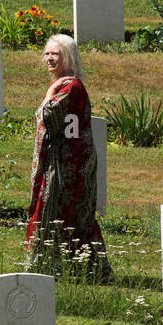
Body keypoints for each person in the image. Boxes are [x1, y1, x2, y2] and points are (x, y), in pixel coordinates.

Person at [24, 34, 114, 282]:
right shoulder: (69, 85)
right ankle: (83, 268)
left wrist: (49, 92)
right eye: (47, 53)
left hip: (67, 164)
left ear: (69, 57)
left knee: (60, 213)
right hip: (68, 160)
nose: (49, 58)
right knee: (72, 215)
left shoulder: (69, 87)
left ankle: (55, 267)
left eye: (55, 54)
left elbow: (47, 115)